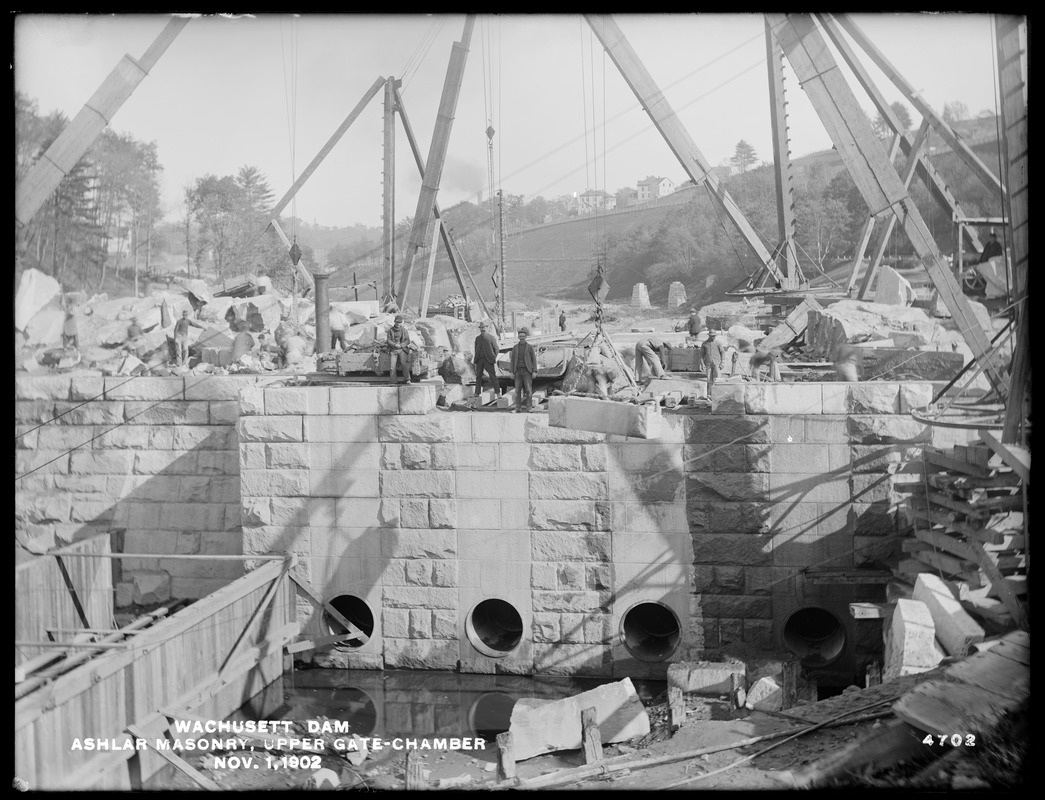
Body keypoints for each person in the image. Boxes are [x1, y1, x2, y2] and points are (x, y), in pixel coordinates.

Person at [510, 327, 538, 412]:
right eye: (520, 336)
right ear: (518, 337)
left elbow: (534, 359)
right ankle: (518, 407)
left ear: (525, 337)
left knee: (528, 390)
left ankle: (529, 407)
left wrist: (534, 371)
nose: (521, 337)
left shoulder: (529, 347)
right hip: (517, 371)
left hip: (527, 371)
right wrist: (511, 371)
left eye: (523, 336)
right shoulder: (515, 347)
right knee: (517, 390)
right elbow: (512, 360)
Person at [473, 320, 500, 396]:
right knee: (478, 377)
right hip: (479, 360)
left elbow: (496, 349)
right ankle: (477, 393)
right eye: (481, 328)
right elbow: (476, 349)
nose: (482, 329)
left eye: (484, 327)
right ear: (479, 329)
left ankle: (497, 393)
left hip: (488, 360)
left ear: (486, 328)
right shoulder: (477, 338)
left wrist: (493, 357)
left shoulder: (491, 338)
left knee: (493, 376)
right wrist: (476, 360)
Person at [386, 314, 413, 384]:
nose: (398, 324)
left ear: (401, 323)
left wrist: (401, 345)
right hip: (393, 350)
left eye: (399, 322)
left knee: (404, 364)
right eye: (397, 322)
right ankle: (393, 381)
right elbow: (388, 340)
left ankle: (407, 379)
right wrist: (394, 345)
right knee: (392, 367)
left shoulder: (404, 330)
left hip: (402, 349)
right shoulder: (390, 330)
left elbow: (407, 340)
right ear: (394, 322)